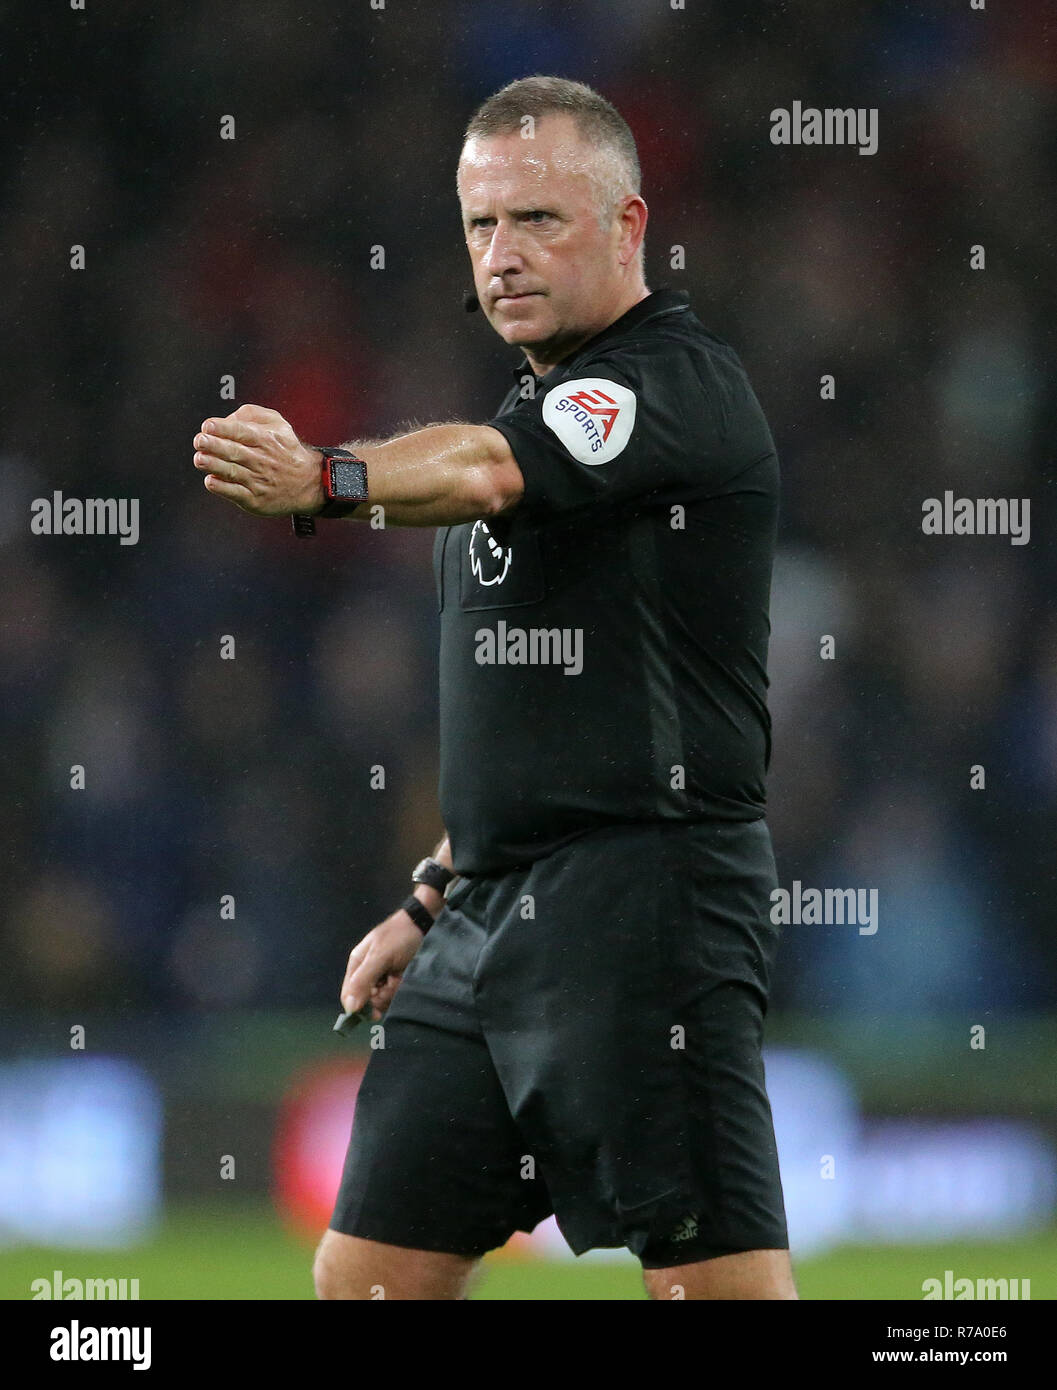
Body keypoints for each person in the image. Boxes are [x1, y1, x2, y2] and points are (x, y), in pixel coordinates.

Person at [192, 75, 796, 1301]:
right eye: (478, 225)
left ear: (628, 227)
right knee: (366, 1277)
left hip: (648, 909)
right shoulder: (530, 412)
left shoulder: (666, 387)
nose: (500, 256)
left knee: (716, 1295)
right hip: (487, 922)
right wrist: (433, 896)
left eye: (537, 220)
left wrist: (326, 474)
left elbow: (479, 471)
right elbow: (542, 722)